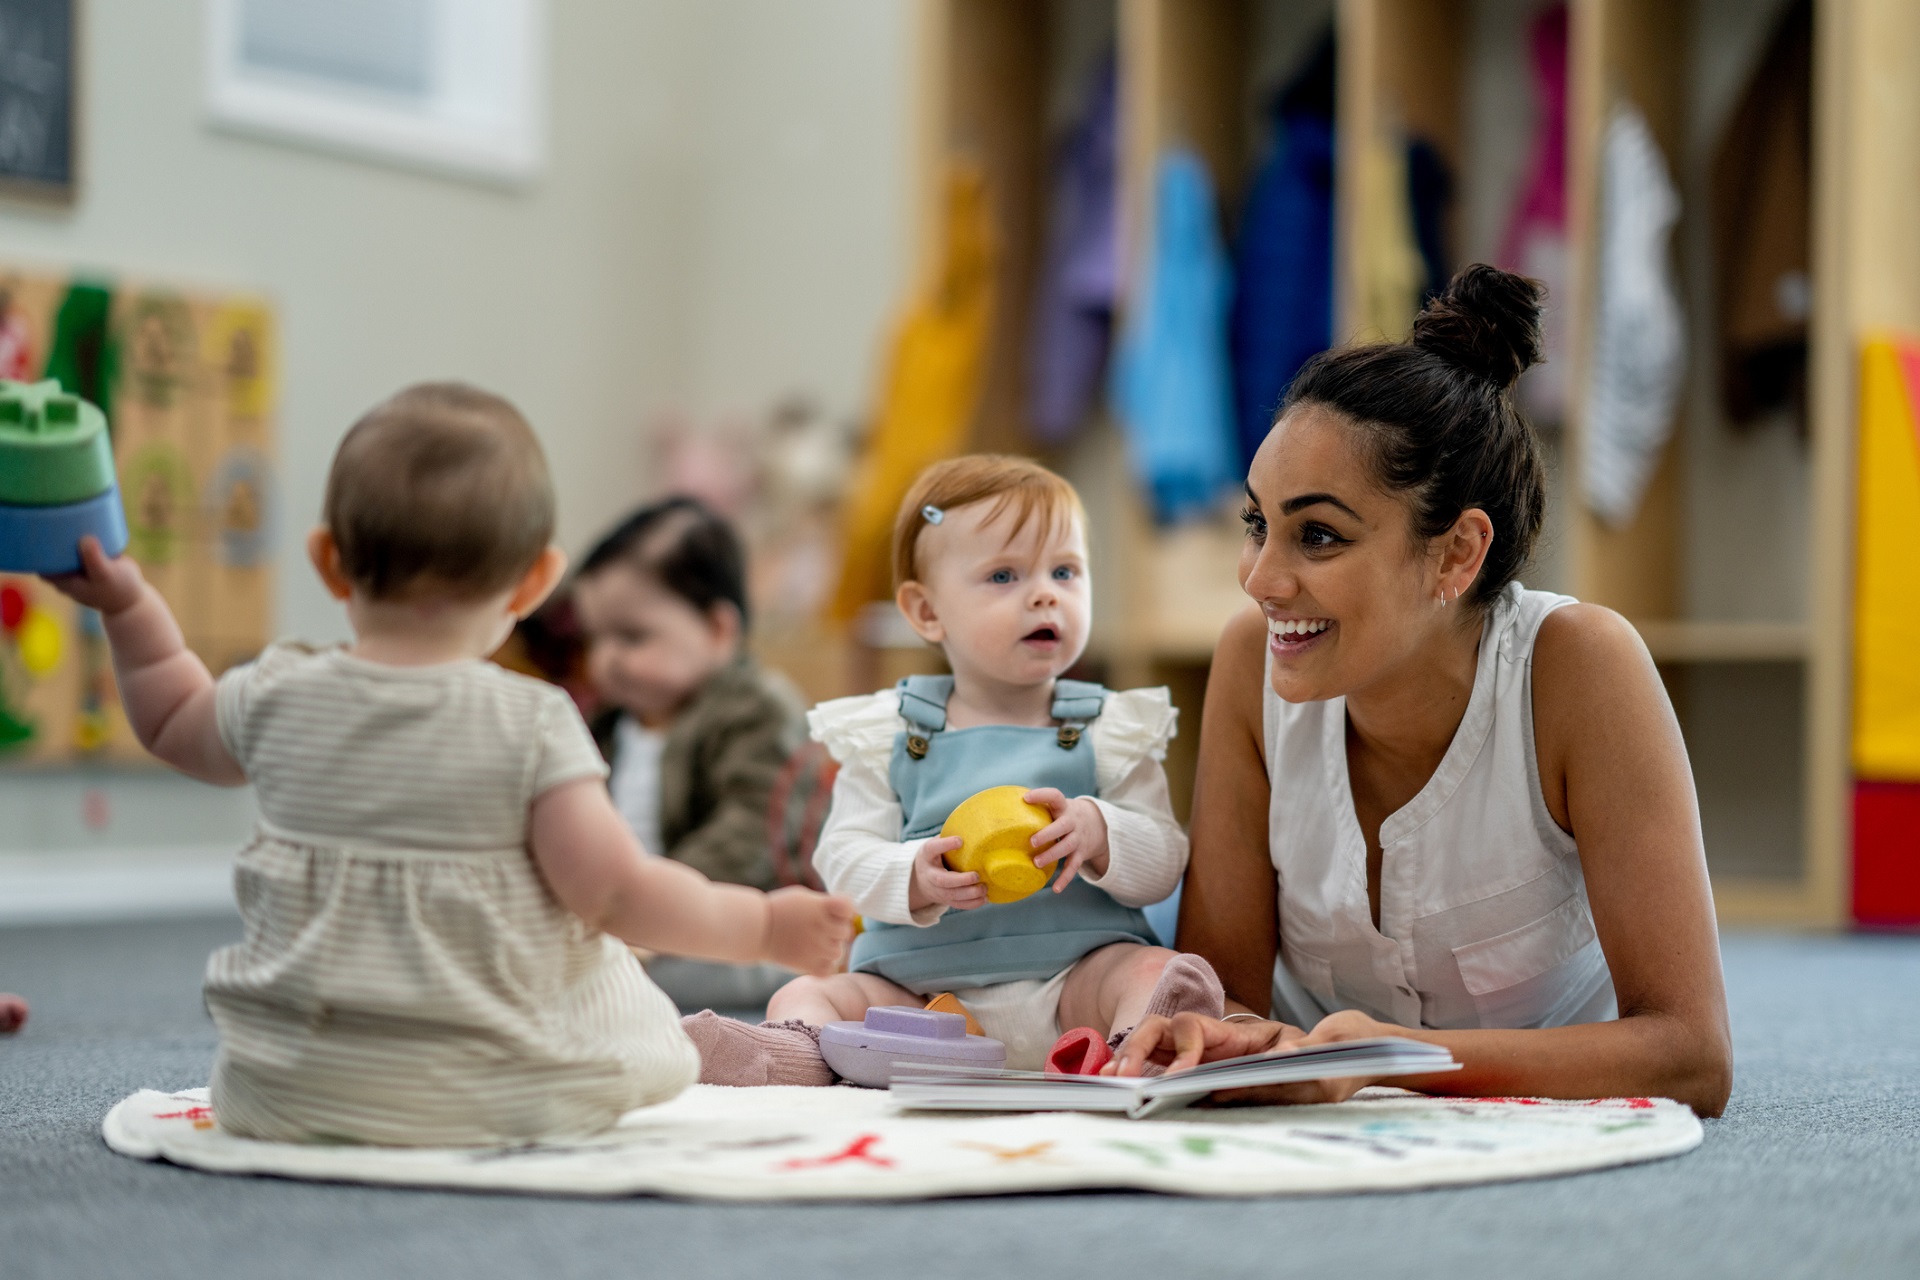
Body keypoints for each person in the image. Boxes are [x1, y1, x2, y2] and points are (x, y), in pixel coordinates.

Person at [46, 383, 853, 1145]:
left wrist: (128, 606)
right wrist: (762, 924)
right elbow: (616, 892)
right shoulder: (533, 722)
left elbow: (171, 718)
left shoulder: (278, 690)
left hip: (281, 1089)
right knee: (627, 1004)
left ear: (328, 561)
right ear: (537, 582)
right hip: (491, 1092)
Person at [1108, 266, 1734, 1117]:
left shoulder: (1582, 667)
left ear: (1456, 555)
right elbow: (1229, 998)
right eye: (1259, 524)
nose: (1259, 578)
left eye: (1317, 535)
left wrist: (1391, 1062)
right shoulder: (1248, 659)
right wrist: (1218, 1039)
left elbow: (1691, 1056)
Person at [684, 455, 1222, 1084]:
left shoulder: (1110, 729)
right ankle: (794, 1052)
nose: (1046, 592)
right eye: (1003, 575)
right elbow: (844, 862)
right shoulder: (890, 732)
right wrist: (914, 874)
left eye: (1065, 571)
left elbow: (1164, 858)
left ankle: (1134, 1048)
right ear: (926, 610)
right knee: (809, 993)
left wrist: (1100, 831)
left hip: (1072, 982)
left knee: (1153, 970)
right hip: (920, 1001)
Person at [571, 497, 803, 892]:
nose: (605, 658)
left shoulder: (758, 712)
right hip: (625, 923)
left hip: (728, 928)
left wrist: (657, 902)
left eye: (632, 636)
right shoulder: (607, 724)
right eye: (595, 637)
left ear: (717, 629)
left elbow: (755, 829)